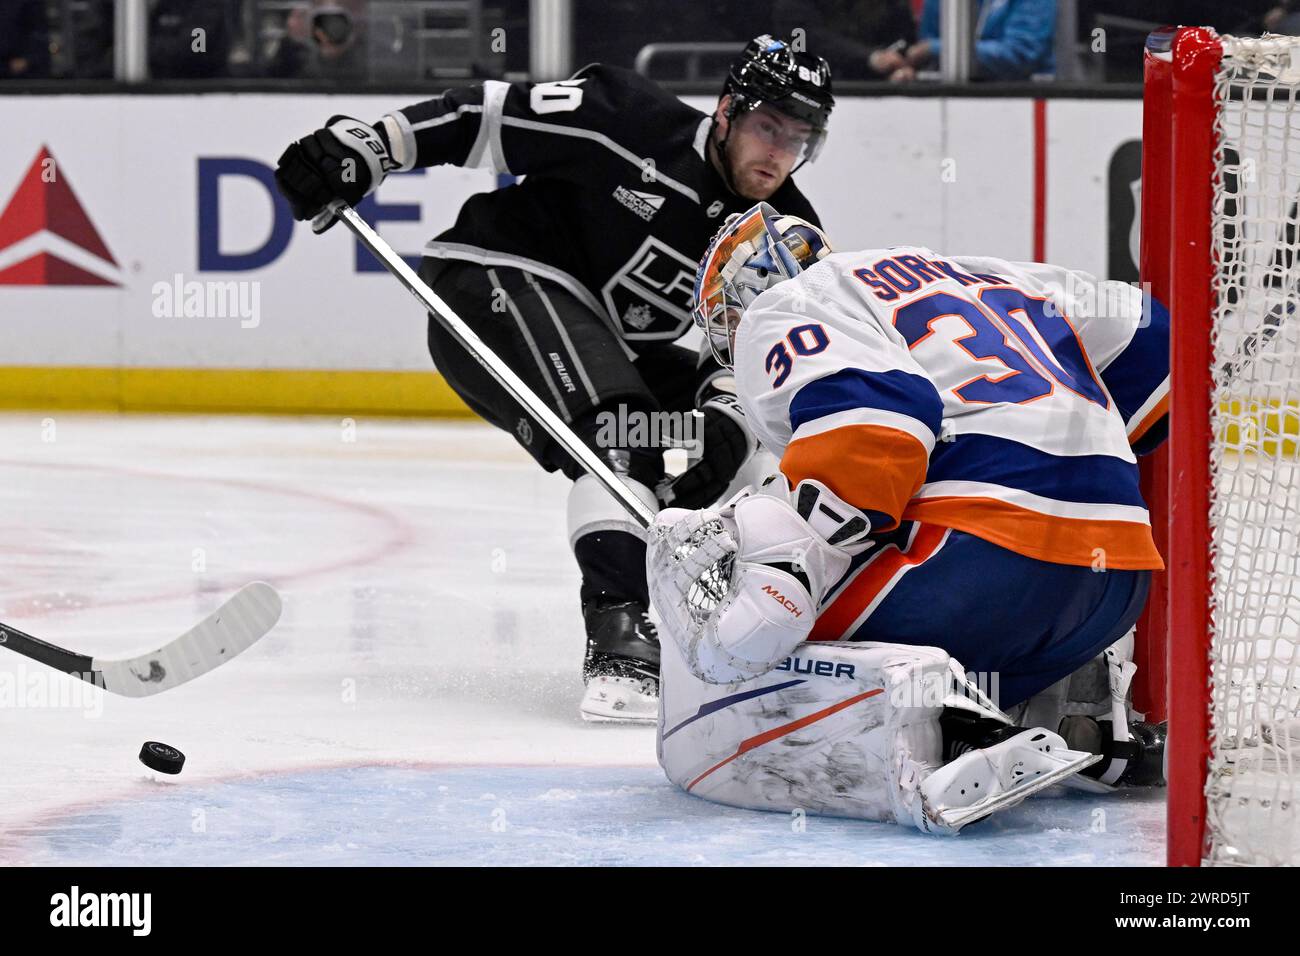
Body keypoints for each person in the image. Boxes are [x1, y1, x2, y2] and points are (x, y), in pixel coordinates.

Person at [273, 36, 835, 722]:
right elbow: (484, 118)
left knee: (741, 446)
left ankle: (745, 622)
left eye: (798, 136)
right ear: (725, 112)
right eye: (766, 127)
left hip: (614, 341)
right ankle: (620, 645)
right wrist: (369, 145)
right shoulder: (629, 120)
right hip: (497, 278)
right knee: (619, 436)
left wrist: (723, 423)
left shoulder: (785, 232)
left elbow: (752, 355)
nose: (777, 152)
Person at [646, 203, 1168, 832]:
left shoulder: (783, 305)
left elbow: (875, 427)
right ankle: (1082, 715)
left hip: (974, 567)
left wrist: (792, 562)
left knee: (766, 634)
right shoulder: (983, 275)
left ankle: (938, 738)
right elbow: (1156, 340)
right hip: (1117, 583)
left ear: (739, 300)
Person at [879, 0, 1055, 82]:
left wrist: (936, 48)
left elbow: (1021, 53)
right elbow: (924, 55)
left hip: (1021, 97)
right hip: (950, 95)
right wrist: (910, 72)